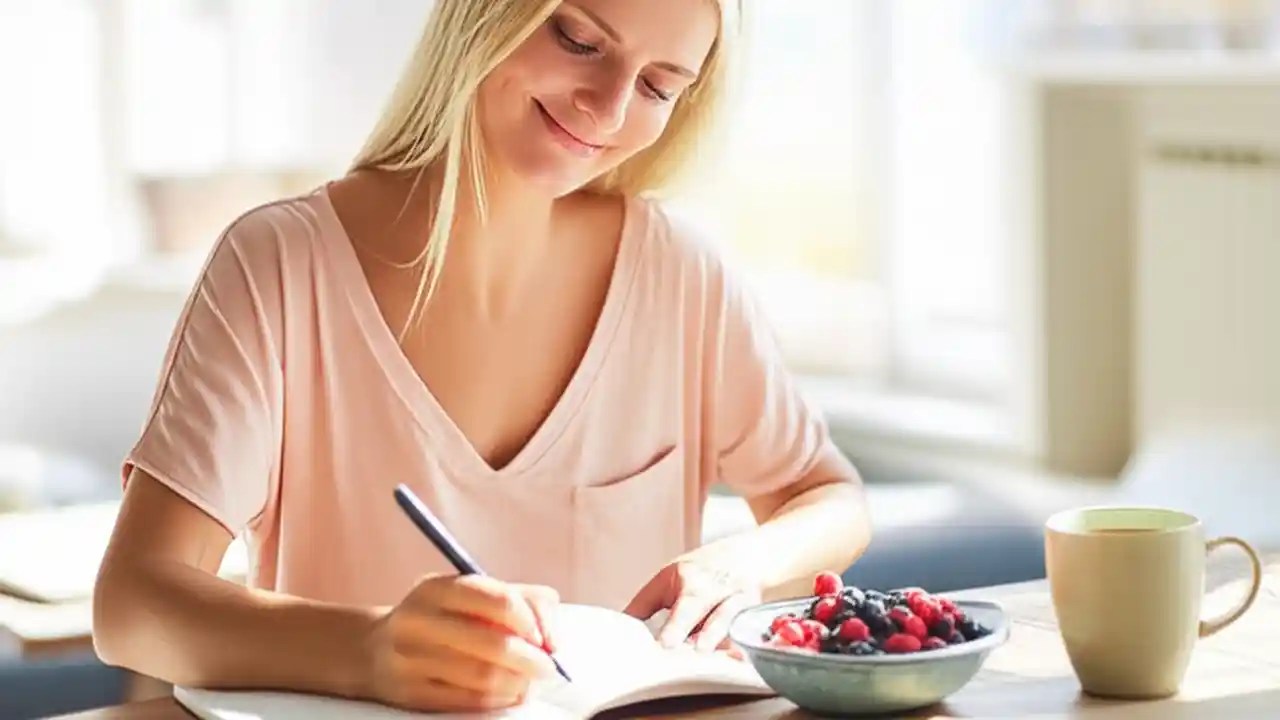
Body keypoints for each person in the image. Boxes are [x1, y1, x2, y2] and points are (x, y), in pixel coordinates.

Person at [92, 0, 872, 712]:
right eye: (578, 39)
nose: (607, 107)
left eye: (659, 87)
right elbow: (132, 606)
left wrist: (742, 563)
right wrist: (370, 649)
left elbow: (829, 497)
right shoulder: (279, 265)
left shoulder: (681, 274)